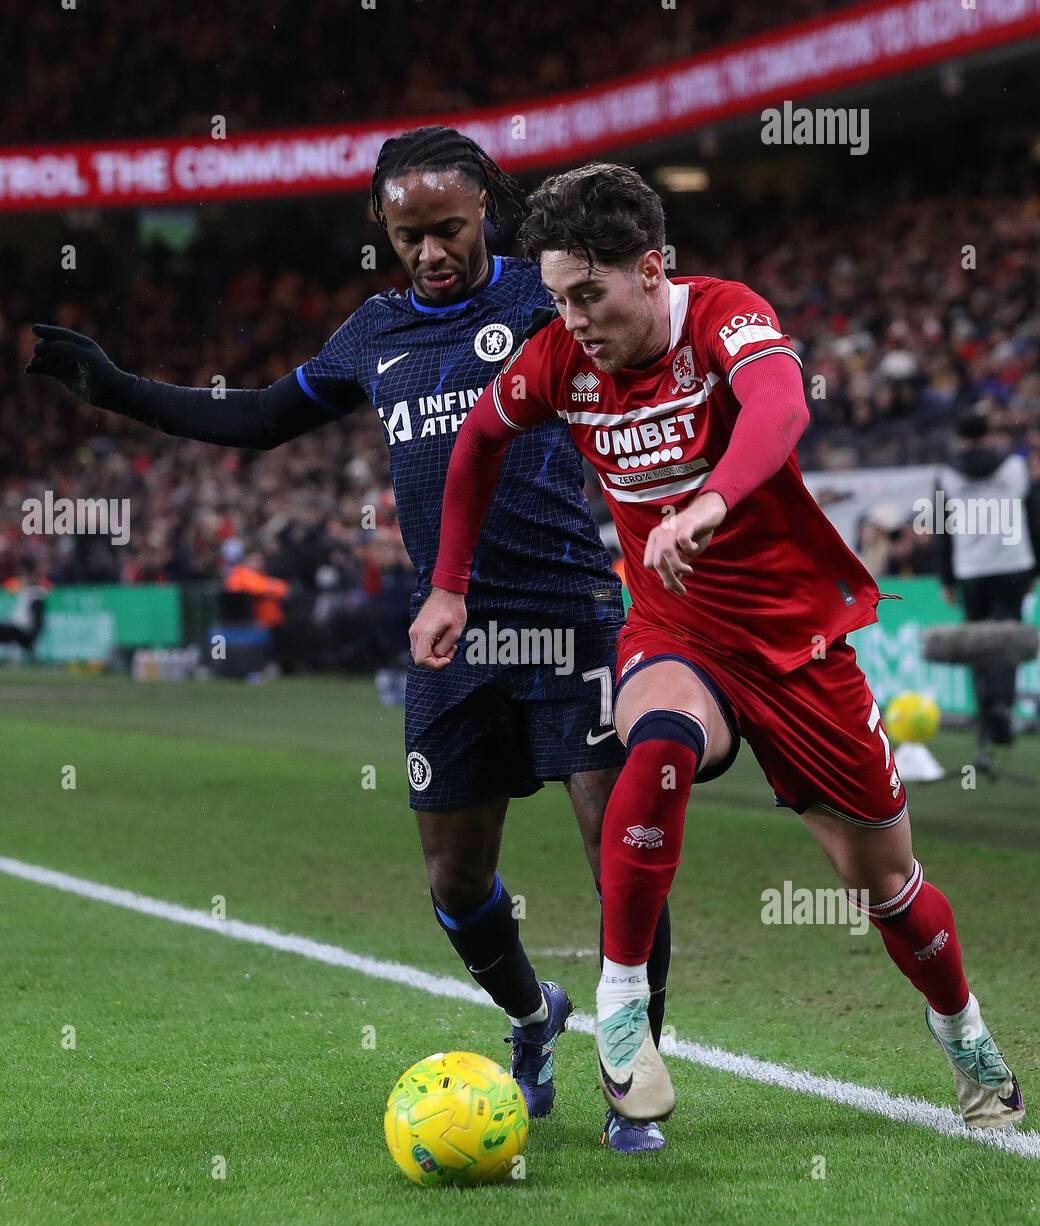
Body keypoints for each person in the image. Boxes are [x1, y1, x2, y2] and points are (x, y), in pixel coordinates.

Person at [25, 129, 672, 1153]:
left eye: (448, 229)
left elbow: (652, 325)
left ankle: (631, 1075)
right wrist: (122, 390)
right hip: (449, 637)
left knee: (619, 855)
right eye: (407, 234)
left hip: (571, 621)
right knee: (453, 884)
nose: (428, 253)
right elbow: (260, 419)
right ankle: (531, 1017)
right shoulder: (373, 333)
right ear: (383, 229)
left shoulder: (545, 301)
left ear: (486, 213)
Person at [412, 162, 1024, 1133]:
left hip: (795, 646)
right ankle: (619, 1002)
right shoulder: (555, 363)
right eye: (558, 296)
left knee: (886, 886)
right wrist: (448, 583)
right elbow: (477, 442)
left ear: (651, 270)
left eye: (588, 294)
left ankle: (961, 1032)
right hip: (673, 628)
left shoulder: (722, 318)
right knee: (650, 739)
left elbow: (780, 409)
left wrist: (709, 499)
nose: (570, 318)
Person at [938, 414, 1037, 768]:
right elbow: (1032, 512)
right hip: (1013, 561)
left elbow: (943, 529)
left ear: (960, 436)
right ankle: (1002, 707)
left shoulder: (947, 473)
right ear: (989, 433)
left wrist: (946, 579)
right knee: (1007, 636)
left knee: (978, 641)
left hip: (972, 568)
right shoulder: (1013, 466)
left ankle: (985, 711)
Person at [0, 560, 49, 659]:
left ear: (30, 576)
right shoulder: (25, 592)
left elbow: (37, 622)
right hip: (16, 629)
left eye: (22, 576)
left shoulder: (36, 595)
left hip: (23, 632)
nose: (20, 579)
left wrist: (32, 638)